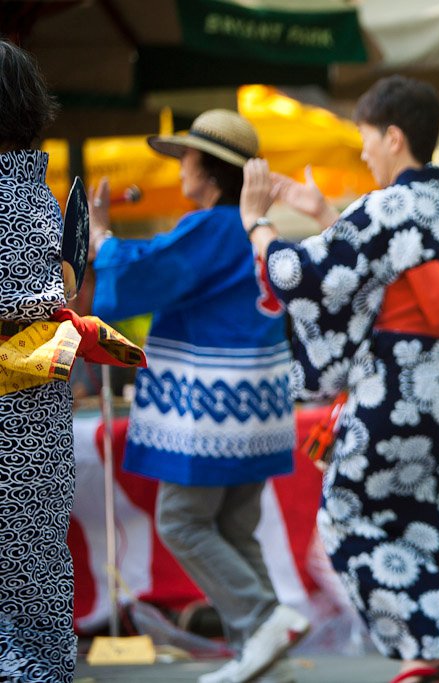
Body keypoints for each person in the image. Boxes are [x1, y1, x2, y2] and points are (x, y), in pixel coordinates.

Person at [239, 75, 439, 683]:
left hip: (395, 393)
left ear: (394, 136)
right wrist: (325, 214)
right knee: (422, 524)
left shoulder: (385, 206)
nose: (363, 151)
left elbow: (302, 275)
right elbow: (381, 267)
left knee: (348, 517)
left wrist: (258, 223)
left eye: (365, 138)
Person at [89, 109, 308, 683]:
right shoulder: (253, 226)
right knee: (235, 527)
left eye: (186, 157)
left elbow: (147, 272)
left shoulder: (213, 227)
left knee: (182, 521)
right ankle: (261, 654)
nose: (180, 167)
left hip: (215, 405)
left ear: (208, 169)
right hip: (258, 401)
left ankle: (262, 621)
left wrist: (100, 239)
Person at [0, 39, 145, 683]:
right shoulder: (36, 189)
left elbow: (27, 305)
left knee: (23, 615)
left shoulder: (13, 196)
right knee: (35, 598)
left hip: (12, 421)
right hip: (38, 426)